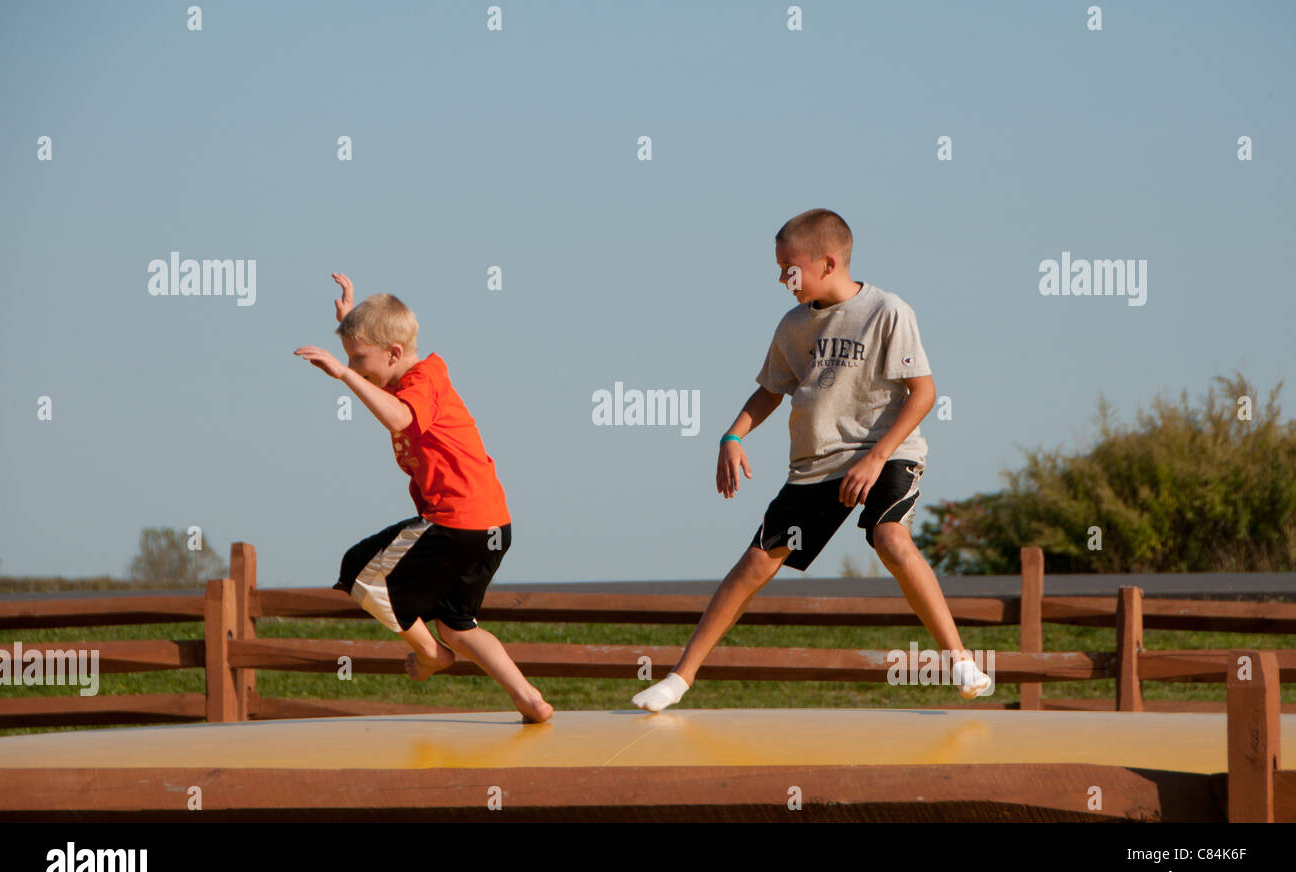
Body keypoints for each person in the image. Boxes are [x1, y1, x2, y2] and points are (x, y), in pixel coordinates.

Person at [632, 209, 991, 712]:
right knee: (755, 564)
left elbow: (924, 392)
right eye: (780, 269)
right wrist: (732, 435)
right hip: (815, 465)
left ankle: (959, 662)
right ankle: (678, 679)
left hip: (884, 452)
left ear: (827, 262)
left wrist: (877, 458)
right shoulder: (793, 325)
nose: (783, 279)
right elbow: (770, 391)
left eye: (789, 268)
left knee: (889, 536)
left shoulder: (887, 310)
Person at [295, 273, 552, 723]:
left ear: (395, 354)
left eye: (360, 359)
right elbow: (383, 384)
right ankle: (529, 698)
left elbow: (399, 418)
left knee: (359, 568)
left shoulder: (424, 378)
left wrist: (341, 375)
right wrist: (351, 319)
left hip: (457, 522)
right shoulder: (403, 377)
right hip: (493, 526)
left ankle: (433, 655)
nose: (354, 367)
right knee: (458, 624)